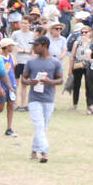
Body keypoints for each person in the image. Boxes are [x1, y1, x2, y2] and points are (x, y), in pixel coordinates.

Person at [22, 34, 63, 162]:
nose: (33, 48)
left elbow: (60, 79)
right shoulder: (31, 62)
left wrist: (50, 82)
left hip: (49, 99)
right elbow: (23, 78)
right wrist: (30, 82)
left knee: (42, 127)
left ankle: (34, 150)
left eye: (36, 45)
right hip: (34, 98)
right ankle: (44, 152)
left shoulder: (55, 62)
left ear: (44, 46)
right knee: (39, 125)